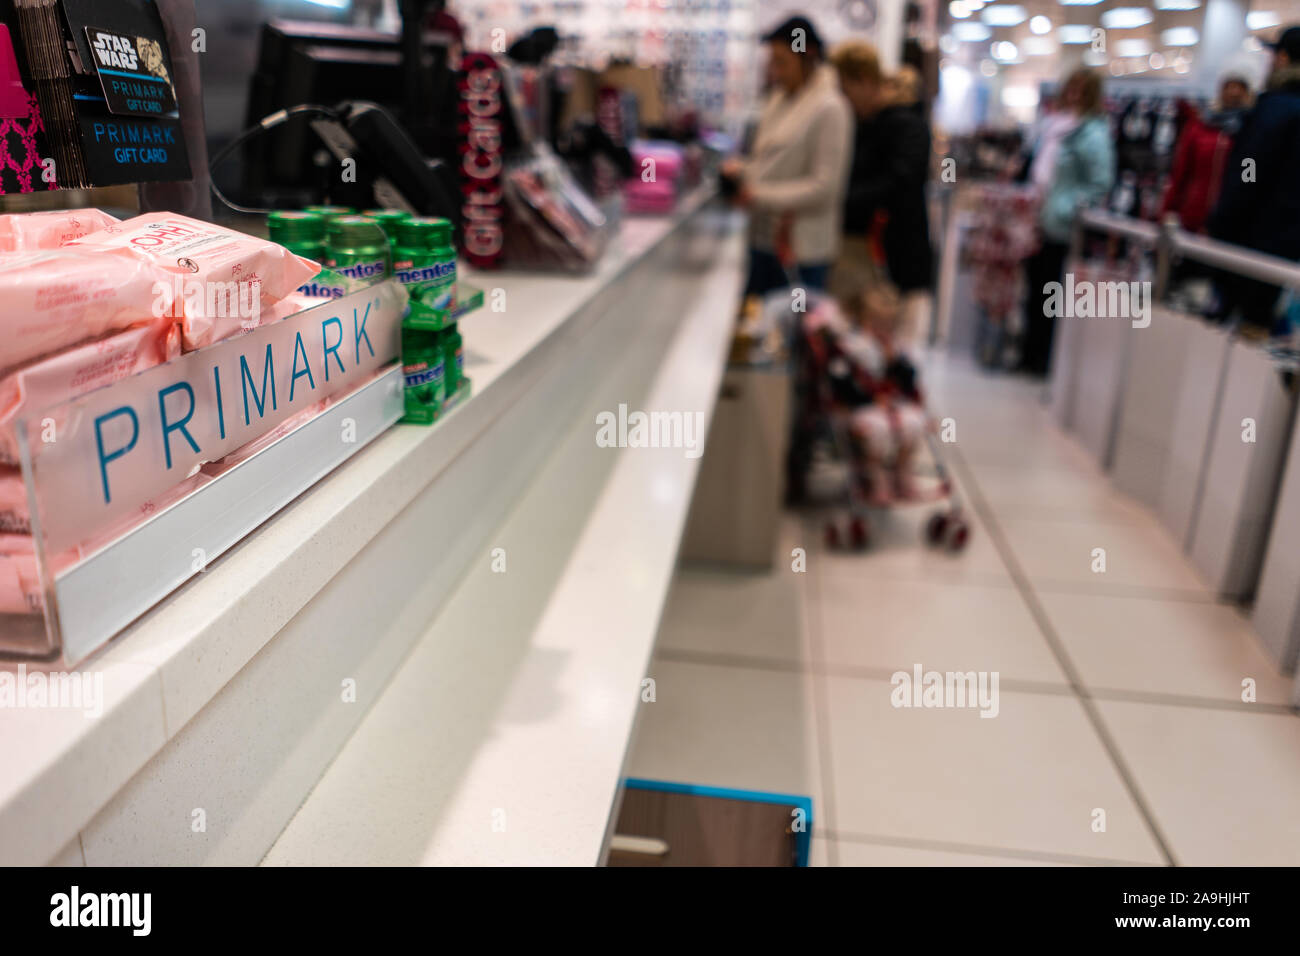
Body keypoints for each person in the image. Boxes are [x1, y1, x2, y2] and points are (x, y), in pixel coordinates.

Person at [722, 16, 853, 297]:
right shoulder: (780, 99)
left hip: (801, 251)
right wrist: (742, 171)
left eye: (782, 61)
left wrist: (758, 194)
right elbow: (770, 160)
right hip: (763, 240)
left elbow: (825, 187)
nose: (775, 70)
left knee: (793, 330)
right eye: (773, 61)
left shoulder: (831, 108)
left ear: (808, 55)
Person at [831, 48, 934, 347]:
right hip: (874, 261)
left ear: (863, 80)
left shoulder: (904, 126)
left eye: (845, 88)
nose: (843, 98)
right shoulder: (870, 124)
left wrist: (839, 201)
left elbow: (897, 186)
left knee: (890, 355)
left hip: (895, 265)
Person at [1021, 68, 1114, 377]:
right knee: (1035, 291)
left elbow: (1100, 183)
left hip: (1062, 228)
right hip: (1037, 220)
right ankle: (1029, 354)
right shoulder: (1053, 125)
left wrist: (1067, 209)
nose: (1074, 94)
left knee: (1051, 296)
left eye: (1081, 89)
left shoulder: (1094, 134)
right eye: (1071, 87)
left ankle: (1043, 360)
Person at [1209, 26, 1300, 332]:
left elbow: (1250, 169)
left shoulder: (1274, 109)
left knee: (1238, 336)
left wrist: (1223, 220)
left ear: (1284, 57)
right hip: (1287, 252)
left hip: (1254, 245)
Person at [1159, 75, 1251, 235]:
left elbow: (1249, 177)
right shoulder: (1200, 126)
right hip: (1191, 218)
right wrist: (1168, 210)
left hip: (1230, 222)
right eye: (1230, 86)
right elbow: (1181, 171)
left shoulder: (1251, 131)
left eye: (1240, 87)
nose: (1234, 92)